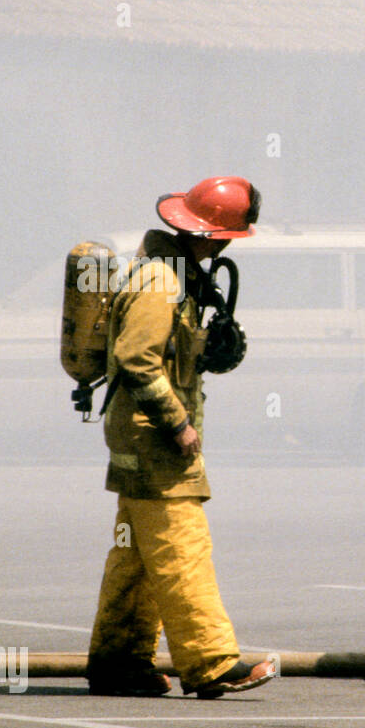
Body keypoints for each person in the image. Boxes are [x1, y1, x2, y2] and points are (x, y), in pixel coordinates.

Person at [85, 176, 275, 699]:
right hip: (155, 442)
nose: (229, 245)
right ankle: (211, 663)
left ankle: (118, 662)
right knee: (181, 544)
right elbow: (135, 359)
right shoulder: (162, 282)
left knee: (137, 554)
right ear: (209, 236)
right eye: (226, 236)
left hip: (138, 438)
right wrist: (178, 422)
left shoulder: (173, 276)